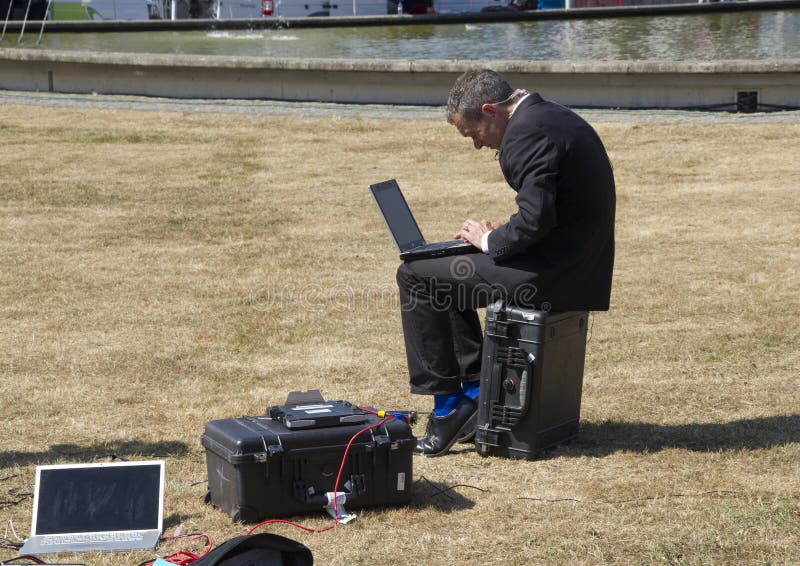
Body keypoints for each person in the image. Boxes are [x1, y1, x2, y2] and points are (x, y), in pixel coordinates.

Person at [397, 69, 616, 457]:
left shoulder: (526, 133)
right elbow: (549, 211)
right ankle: (475, 389)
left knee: (415, 276)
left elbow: (535, 220)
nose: (478, 146)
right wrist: (496, 235)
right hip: (571, 260)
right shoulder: (547, 116)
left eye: (473, 134)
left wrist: (489, 239)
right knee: (441, 265)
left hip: (556, 275)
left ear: (490, 111)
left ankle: (450, 407)